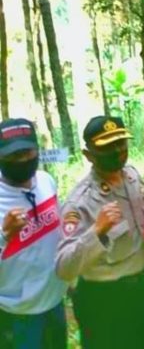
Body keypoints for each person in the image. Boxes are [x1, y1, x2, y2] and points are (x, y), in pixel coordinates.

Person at [56, 116, 144, 349]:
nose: (117, 150)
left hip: (140, 290)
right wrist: (96, 232)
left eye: (121, 143)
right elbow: (64, 267)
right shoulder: (79, 203)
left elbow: (142, 237)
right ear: (89, 155)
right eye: (107, 146)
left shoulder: (132, 178)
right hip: (104, 300)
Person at [0, 118, 66, 349]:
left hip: (54, 302)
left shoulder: (46, 182)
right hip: (16, 313)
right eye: (14, 155)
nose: (22, 160)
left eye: (27, 153)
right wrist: (5, 236)